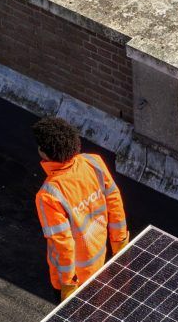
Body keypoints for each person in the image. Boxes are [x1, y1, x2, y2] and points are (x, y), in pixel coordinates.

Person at [32, 116, 128, 296]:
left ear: (44, 153)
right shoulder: (94, 162)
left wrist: (68, 285)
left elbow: (63, 244)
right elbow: (114, 202)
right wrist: (120, 245)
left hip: (76, 279)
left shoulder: (48, 195)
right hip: (102, 259)